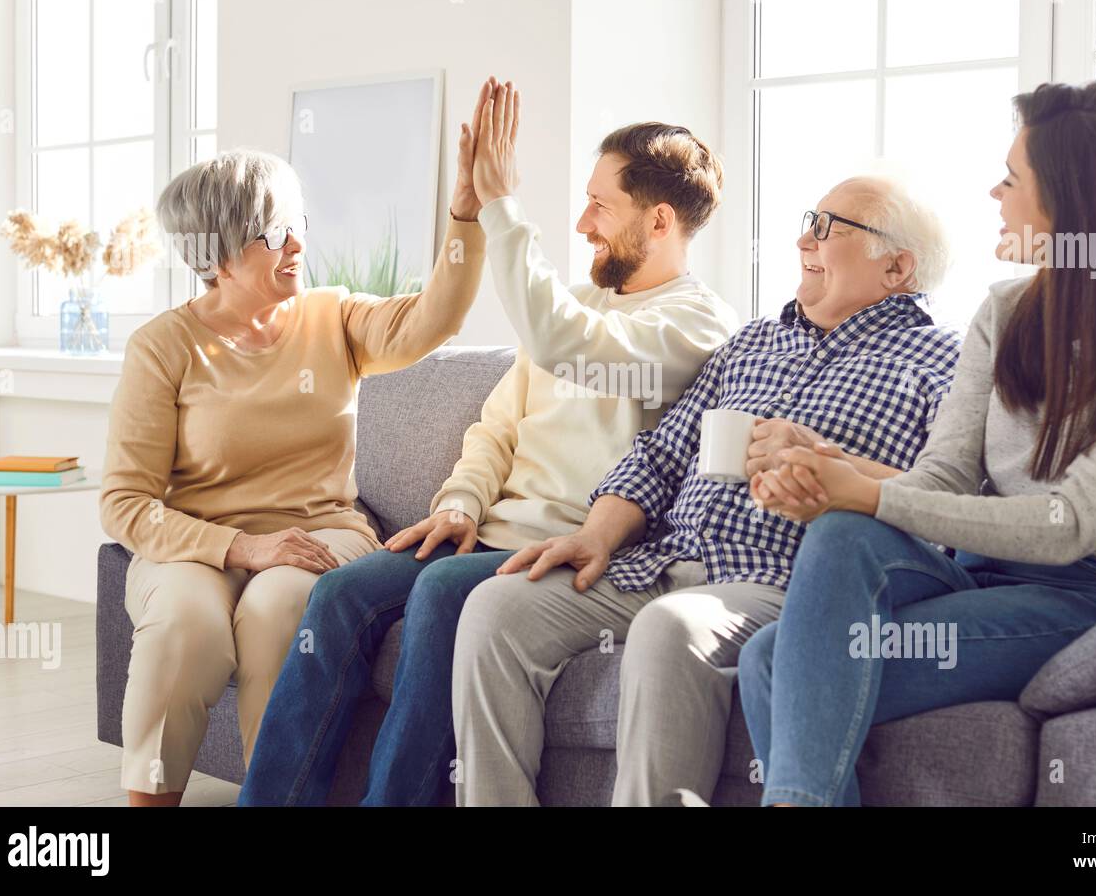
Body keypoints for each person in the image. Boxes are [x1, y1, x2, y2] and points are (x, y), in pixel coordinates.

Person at [736, 81, 1096, 807]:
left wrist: (871, 492)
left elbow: (1070, 523)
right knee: (838, 542)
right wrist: (832, 484)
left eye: (1013, 178)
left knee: (772, 661)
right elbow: (944, 473)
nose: (994, 193)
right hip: (983, 577)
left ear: (1075, 199)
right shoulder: (1004, 312)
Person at [239, 78, 739, 806]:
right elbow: (497, 426)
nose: (582, 223)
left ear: (659, 221)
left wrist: (501, 205)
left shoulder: (697, 327)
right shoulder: (576, 304)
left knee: (442, 590)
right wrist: (461, 504)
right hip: (486, 536)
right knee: (343, 592)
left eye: (600, 205)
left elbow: (568, 342)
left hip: (578, 553)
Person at [451, 175, 962, 805]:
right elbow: (661, 457)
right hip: (663, 561)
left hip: (783, 582)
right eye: (809, 219)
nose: (804, 237)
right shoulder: (750, 342)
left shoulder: (942, 365)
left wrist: (832, 464)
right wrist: (593, 538)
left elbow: (949, 501)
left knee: (672, 628)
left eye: (829, 229)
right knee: (497, 607)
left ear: (897, 266)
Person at [100, 129, 488, 805]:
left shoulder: (331, 316)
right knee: (183, 628)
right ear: (215, 253)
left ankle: (273, 796)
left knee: (278, 605)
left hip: (320, 528)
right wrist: (239, 546)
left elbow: (435, 319)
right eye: (276, 233)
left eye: (297, 225)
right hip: (197, 542)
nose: (298, 245)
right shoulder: (162, 347)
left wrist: (466, 213)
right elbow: (127, 504)